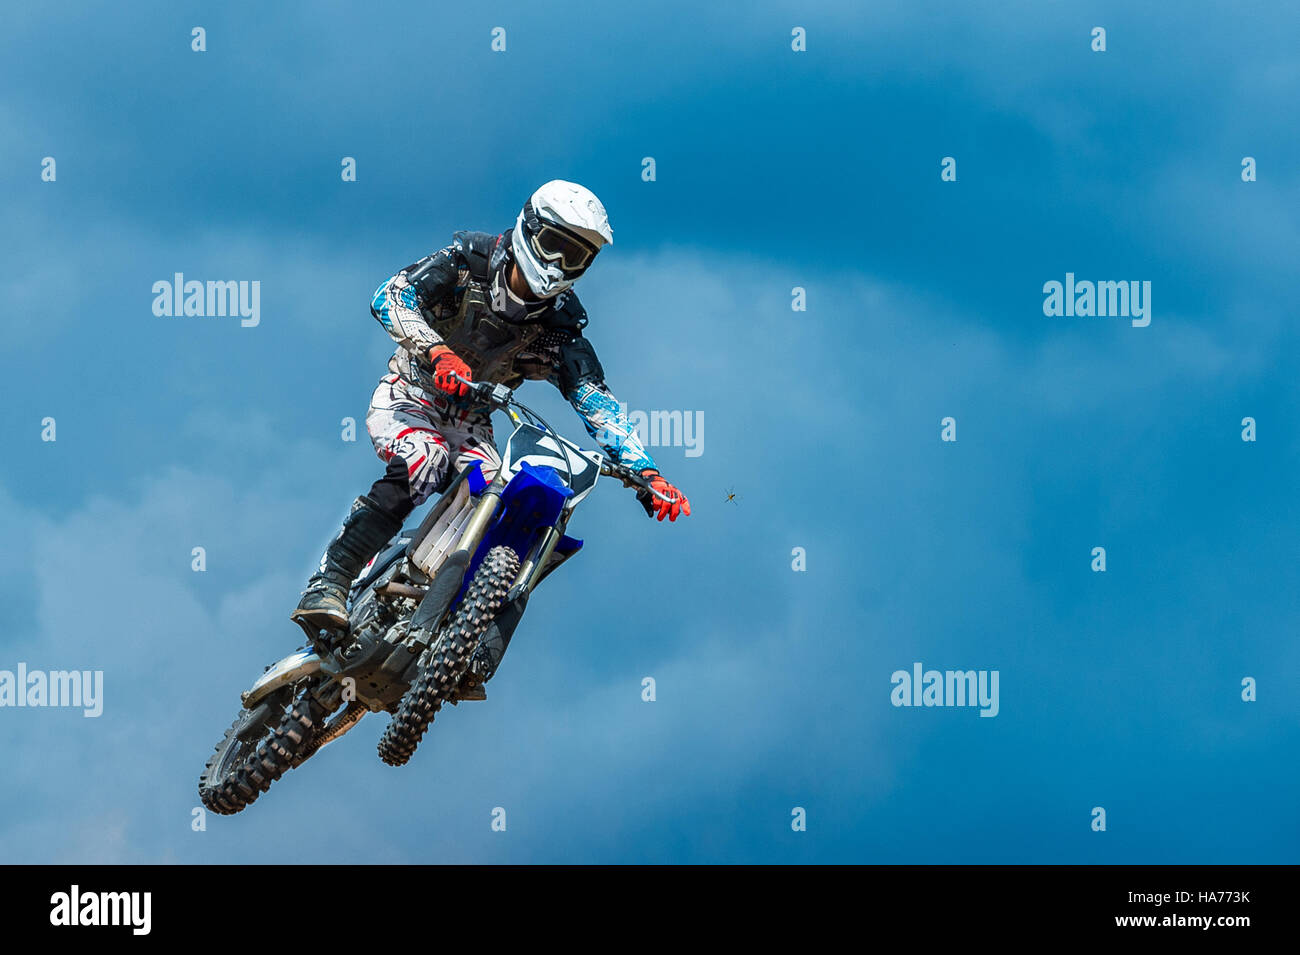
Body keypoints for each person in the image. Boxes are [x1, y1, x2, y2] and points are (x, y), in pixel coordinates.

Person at [292, 180, 691, 635]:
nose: (560, 264)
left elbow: (596, 400)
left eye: (575, 256)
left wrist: (647, 472)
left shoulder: (560, 328)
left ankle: (453, 632)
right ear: (529, 229)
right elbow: (390, 295)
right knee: (426, 462)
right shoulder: (466, 264)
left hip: (473, 419)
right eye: (554, 246)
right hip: (412, 392)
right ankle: (331, 581)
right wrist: (434, 350)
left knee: (504, 500)